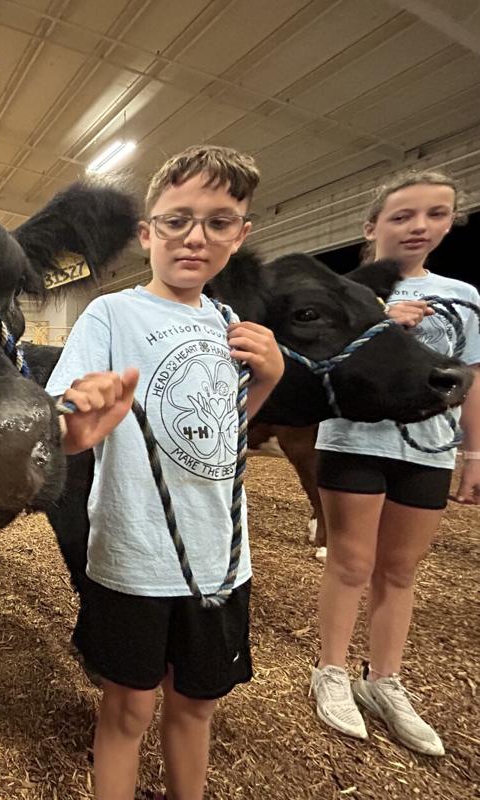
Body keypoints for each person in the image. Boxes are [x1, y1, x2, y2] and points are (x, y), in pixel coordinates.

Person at [45, 146, 284, 800]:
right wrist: (78, 420)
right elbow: (64, 424)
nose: (195, 237)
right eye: (177, 220)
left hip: (221, 562)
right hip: (135, 560)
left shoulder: (233, 326)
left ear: (240, 236)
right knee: (127, 712)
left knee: (196, 707)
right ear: (147, 234)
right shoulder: (113, 316)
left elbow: (225, 436)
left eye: (218, 221)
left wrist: (269, 378)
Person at [310, 171, 479, 756]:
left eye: (435, 214)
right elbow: (318, 362)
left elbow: (471, 377)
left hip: (428, 446)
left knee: (401, 571)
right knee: (351, 562)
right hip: (355, 439)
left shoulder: (464, 296)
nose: (419, 227)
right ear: (372, 226)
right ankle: (330, 670)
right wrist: (382, 322)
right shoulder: (341, 291)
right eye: (403, 216)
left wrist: (472, 450)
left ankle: (384, 680)